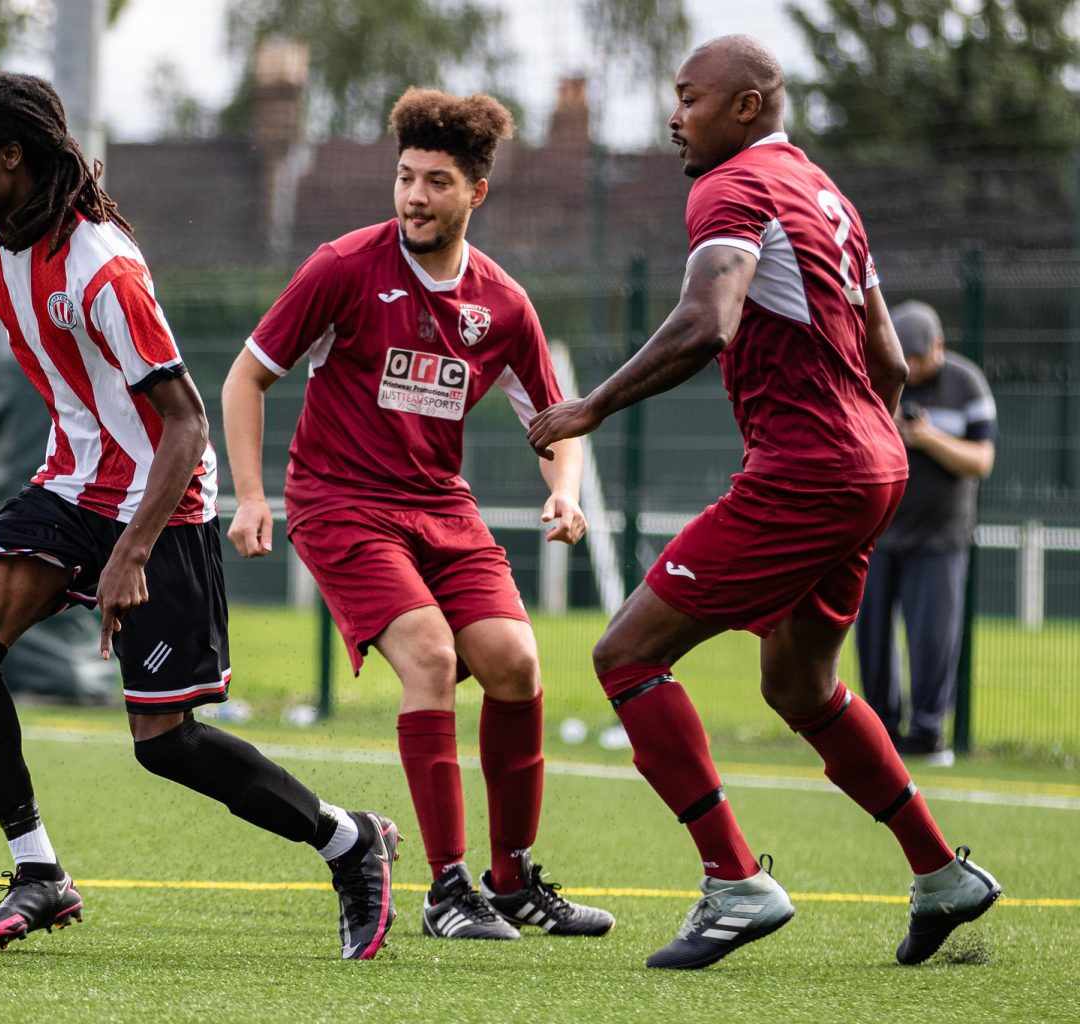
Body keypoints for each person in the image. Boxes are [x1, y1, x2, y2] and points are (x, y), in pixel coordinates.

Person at [526, 36, 1001, 969]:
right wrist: (864, 444)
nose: (674, 117)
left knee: (625, 655)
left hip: (810, 471)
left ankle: (735, 883)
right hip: (870, 469)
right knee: (798, 684)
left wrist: (590, 405)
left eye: (689, 98)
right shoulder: (827, 194)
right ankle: (943, 875)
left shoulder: (731, 187)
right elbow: (891, 362)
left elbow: (709, 320)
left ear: (745, 108)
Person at [0, 69, 400, 960]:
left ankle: (349, 842)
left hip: (163, 498)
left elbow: (185, 421)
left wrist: (131, 552)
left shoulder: (103, 266)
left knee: (166, 743)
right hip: (71, 484)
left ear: (12, 157)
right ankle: (38, 872)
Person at [223, 87, 615, 943]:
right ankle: (446, 889)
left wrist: (565, 491)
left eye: (436, 181)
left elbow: (556, 422)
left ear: (477, 192)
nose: (414, 197)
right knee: (433, 658)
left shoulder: (503, 304)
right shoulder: (343, 266)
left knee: (515, 663)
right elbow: (247, 376)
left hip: (441, 508)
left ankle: (511, 882)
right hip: (341, 503)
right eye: (405, 177)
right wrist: (253, 497)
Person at [857, 301, 996, 765]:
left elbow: (981, 461)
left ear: (938, 345)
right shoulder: (877, 375)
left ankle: (928, 735)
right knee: (871, 637)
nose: (909, 368)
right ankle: (878, 731)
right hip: (878, 534)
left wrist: (928, 438)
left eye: (917, 358)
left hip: (940, 539)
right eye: (904, 356)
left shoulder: (966, 382)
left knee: (933, 638)